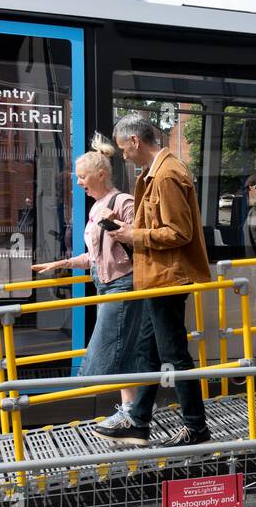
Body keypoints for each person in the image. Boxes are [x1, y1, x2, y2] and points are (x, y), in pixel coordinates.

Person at [96, 115, 212, 448]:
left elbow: (179, 232)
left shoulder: (166, 175)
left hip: (166, 277)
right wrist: (125, 226)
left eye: (123, 149)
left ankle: (196, 426)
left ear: (135, 141)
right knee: (146, 352)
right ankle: (138, 421)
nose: (123, 155)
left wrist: (133, 235)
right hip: (155, 276)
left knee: (175, 354)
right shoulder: (158, 172)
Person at [32, 142, 142, 432]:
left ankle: (131, 412)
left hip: (124, 285)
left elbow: (142, 243)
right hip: (106, 286)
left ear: (101, 175)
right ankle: (132, 411)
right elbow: (95, 257)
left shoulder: (124, 203)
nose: (78, 182)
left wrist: (116, 226)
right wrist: (60, 264)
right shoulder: (96, 207)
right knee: (123, 350)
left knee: (108, 348)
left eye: (82, 176)